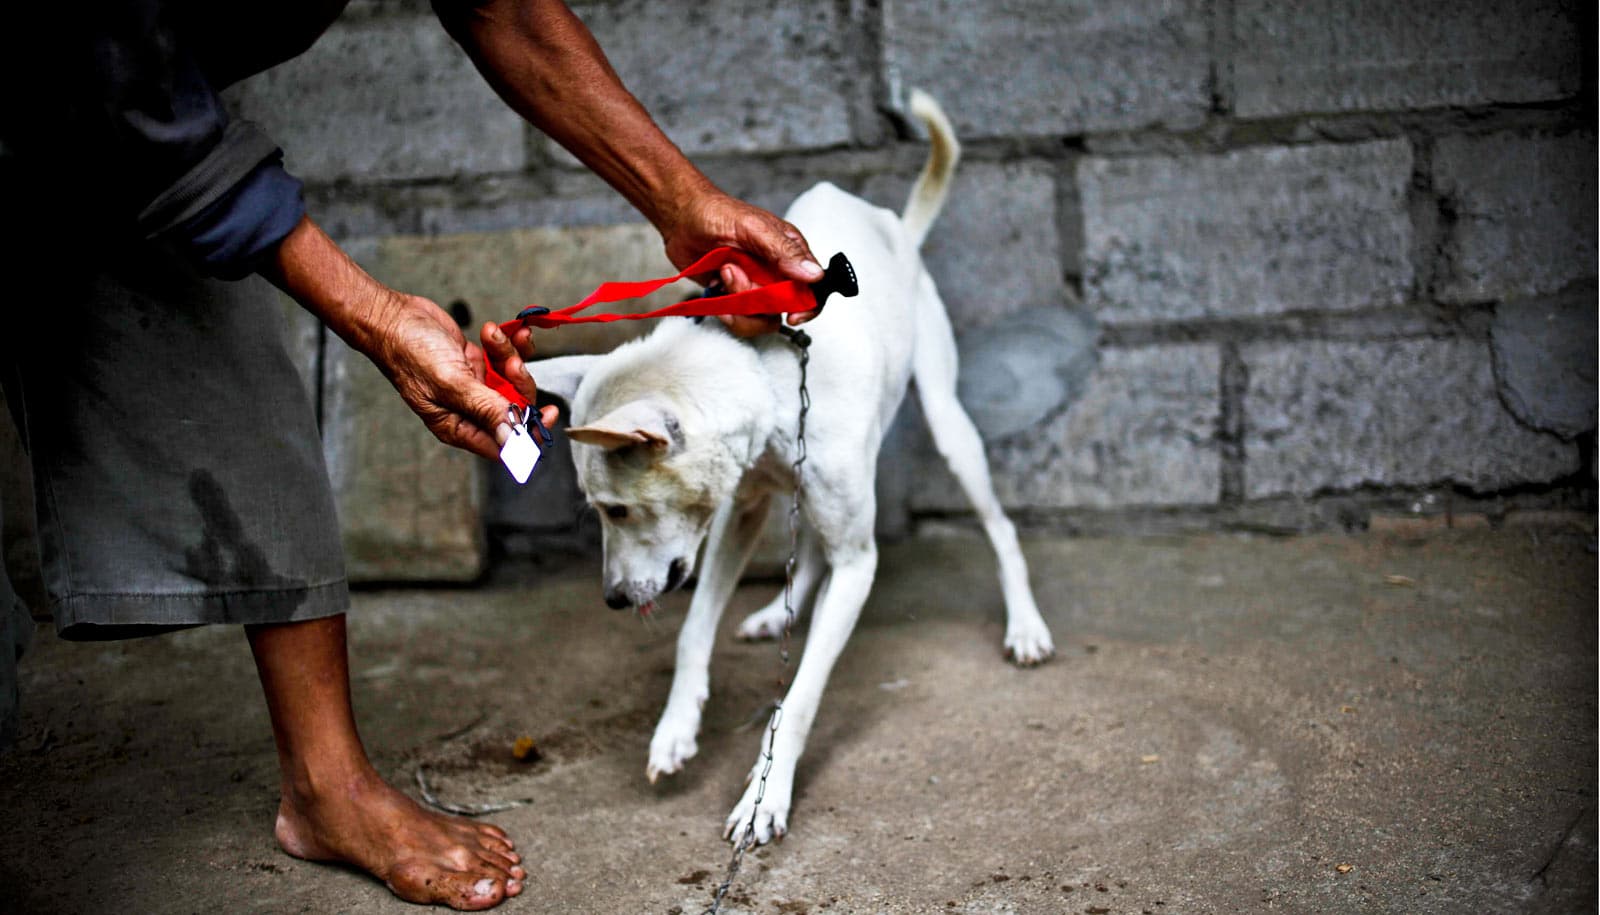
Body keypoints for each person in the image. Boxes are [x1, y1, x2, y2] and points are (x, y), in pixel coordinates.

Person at [0, 0, 822, 908]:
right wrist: (377, 318)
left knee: (246, 393)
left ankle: (325, 788)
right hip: (93, 65)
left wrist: (679, 196)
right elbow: (123, 72)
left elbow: (497, 4)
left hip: (147, 105)